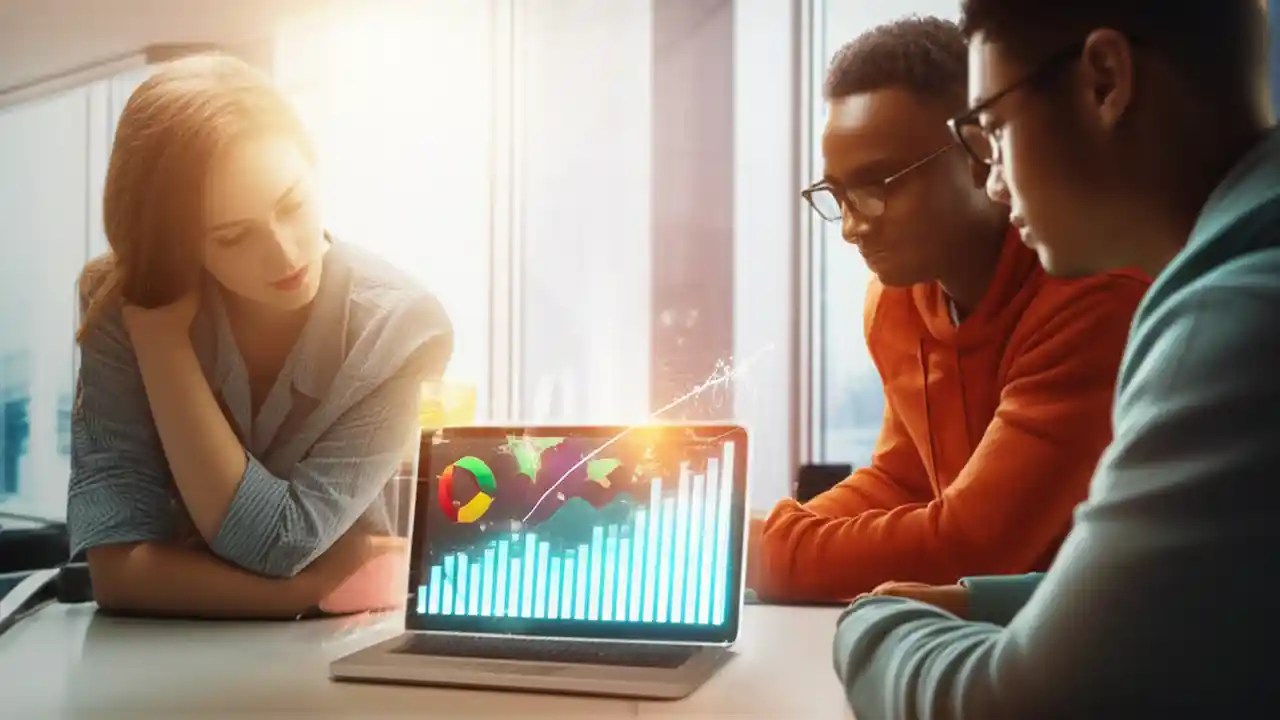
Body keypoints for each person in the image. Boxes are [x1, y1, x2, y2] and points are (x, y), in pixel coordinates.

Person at [834, 1, 1280, 716]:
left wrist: (869, 624)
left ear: (1105, 81)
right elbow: (1195, 587)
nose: (995, 181)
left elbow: (1011, 704)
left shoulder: (1235, 322)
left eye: (997, 129)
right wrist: (984, 600)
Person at [748, 17, 1147, 602]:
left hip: (1105, 653)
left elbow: (978, 543)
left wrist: (767, 553)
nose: (853, 227)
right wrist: (768, 537)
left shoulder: (1090, 290)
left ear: (982, 153)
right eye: (836, 194)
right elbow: (903, 480)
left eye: (878, 184)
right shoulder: (895, 302)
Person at [70, 54, 453, 618]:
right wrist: (161, 342)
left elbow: (279, 542)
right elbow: (118, 570)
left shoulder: (401, 330)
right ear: (180, 246)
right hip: (159, 659)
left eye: (292, 204)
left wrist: (195, 576)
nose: (285, 252)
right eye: (231, 236)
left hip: (333, 661)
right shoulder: (126, 307)